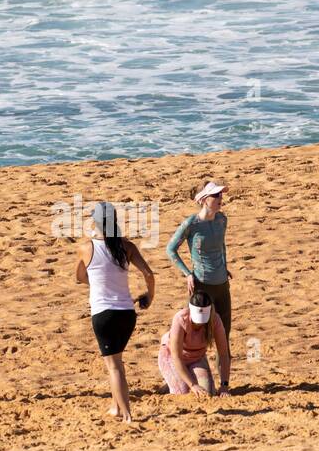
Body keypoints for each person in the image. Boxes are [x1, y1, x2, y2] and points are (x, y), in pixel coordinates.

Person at [76, 201, 155, 423]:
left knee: (114, 367)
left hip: (104, 314)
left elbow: (80, 277)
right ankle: (115, 406)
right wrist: (149, 297)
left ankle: (127, 413)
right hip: (127, 314)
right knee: (117, 361)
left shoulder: (86, 247)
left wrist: (99, 281)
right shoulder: (126, 247)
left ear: (95, 222)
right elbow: (148, 274)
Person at [167, 180, 232, 335]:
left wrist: (225, 266)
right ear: (203, 200)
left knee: (223, 333)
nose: (220, 198)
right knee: (197, 334)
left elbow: (221, 246)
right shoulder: (192, 224)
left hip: (222, 284)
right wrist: (188, 274)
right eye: (215, 195)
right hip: (202, 286)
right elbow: (170, 249)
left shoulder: (222, 220)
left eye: (221, 194)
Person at [158, 290, 231, 396]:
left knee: (208, 392)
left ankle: (180, 379)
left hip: (197, 358)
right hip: (172, 357)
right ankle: (175, 380)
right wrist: (192, 385)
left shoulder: (215, 320)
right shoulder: (180, 318)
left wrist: (224, 386)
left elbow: (224, 354)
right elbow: (176, 357)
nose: (199, 323)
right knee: (182, 392)